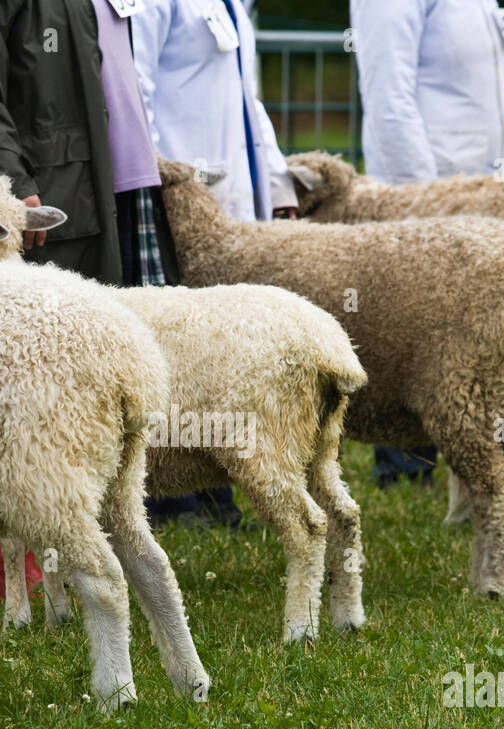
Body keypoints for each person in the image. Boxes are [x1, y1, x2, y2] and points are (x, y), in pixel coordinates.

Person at [0, 0, 182, 598]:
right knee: (13, 386)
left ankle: (80, 545)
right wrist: (12, 185)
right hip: (37, 203)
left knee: (81, 386)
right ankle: (10, 572)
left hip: (103, 187)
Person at [133, 0, 298, 526]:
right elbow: (137, 91)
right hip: (181, 201)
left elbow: (247, 95)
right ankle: (167, 495)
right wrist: (165, 178)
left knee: (217, 353)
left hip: (229, 206)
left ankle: (213, 490)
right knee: (173, 347)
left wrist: (276, 180)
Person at [351, 0, 504, 489]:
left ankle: (479, 455)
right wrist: (418, 200)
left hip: (477, 187)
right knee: (410, 329)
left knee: (472, 332)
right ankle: (405, 466)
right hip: (429, 191)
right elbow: (388, 95)